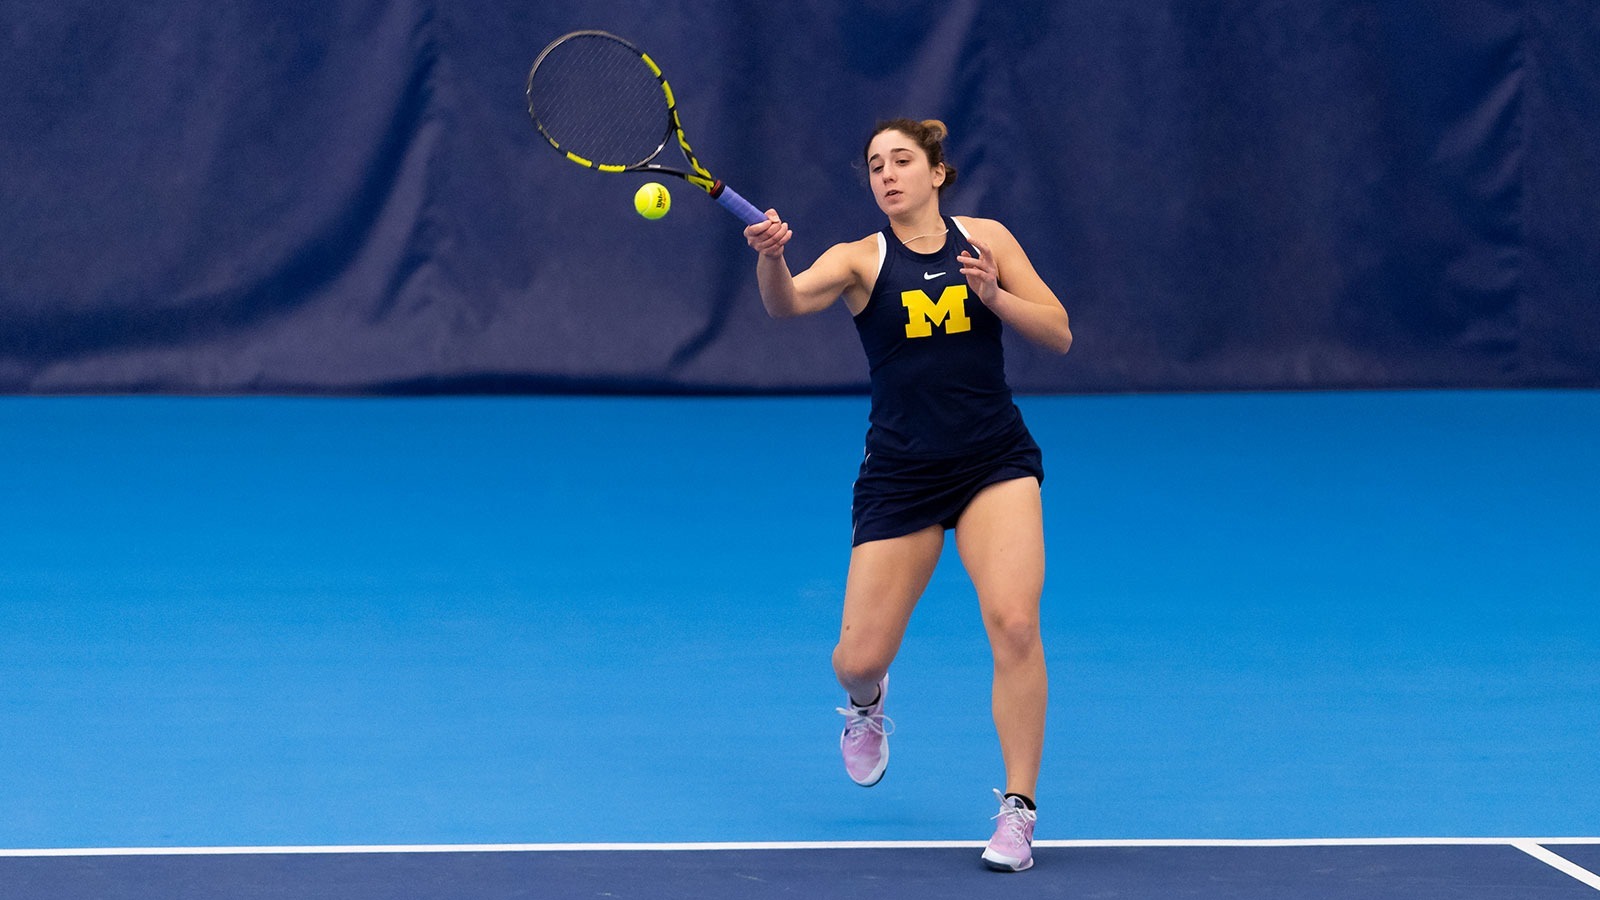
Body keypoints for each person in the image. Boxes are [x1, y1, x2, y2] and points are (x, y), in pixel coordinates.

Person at [742, 118, 1072, 872]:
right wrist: (772, 258)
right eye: (874, 166)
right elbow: (787, 303)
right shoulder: (860, 260)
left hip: (994, 460)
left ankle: (1017, 812)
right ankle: (867, 703)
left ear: (936, 173)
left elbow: (1057, 332)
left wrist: (995, 295)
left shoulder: (987, 239)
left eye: (901, 161)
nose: (886, 175)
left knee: (1016, 622)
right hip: (901, 474)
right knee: (857, 657)